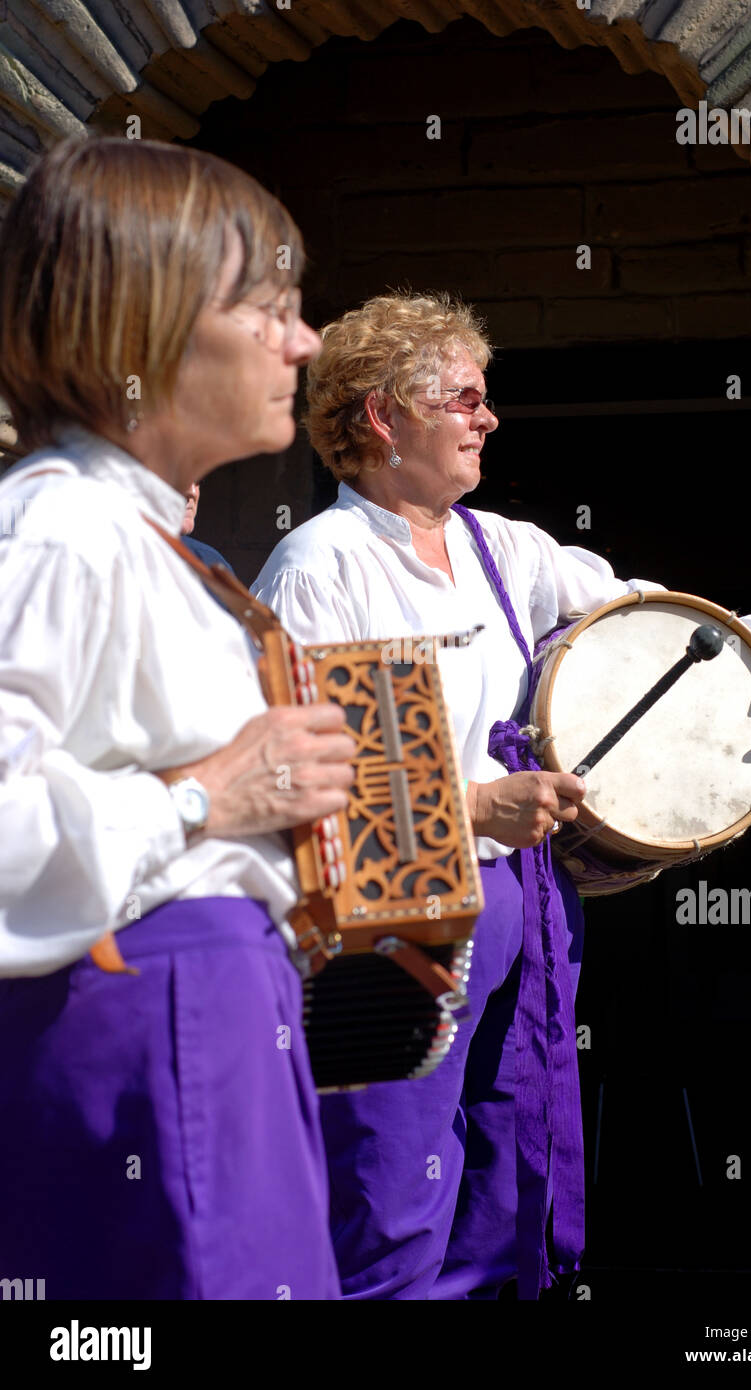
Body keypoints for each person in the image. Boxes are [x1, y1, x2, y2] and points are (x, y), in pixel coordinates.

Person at [253, 290, 751, 1301]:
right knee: (391, 1199)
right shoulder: (321, 567)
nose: (488, 417)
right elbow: (304, 783)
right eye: (466, 398)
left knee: (509, 1185)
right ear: (384, 415)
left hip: (524, 906)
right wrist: (475, 806)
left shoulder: (502, 550)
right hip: (390, 916)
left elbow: (668, 622)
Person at [0, 135, 356, 1300]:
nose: (304, 342)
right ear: (141, 323)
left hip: (214, 1019)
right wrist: (211, 795)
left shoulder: (141, 539)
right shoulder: (61, 531)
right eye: (270, 309)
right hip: (149, 1028)